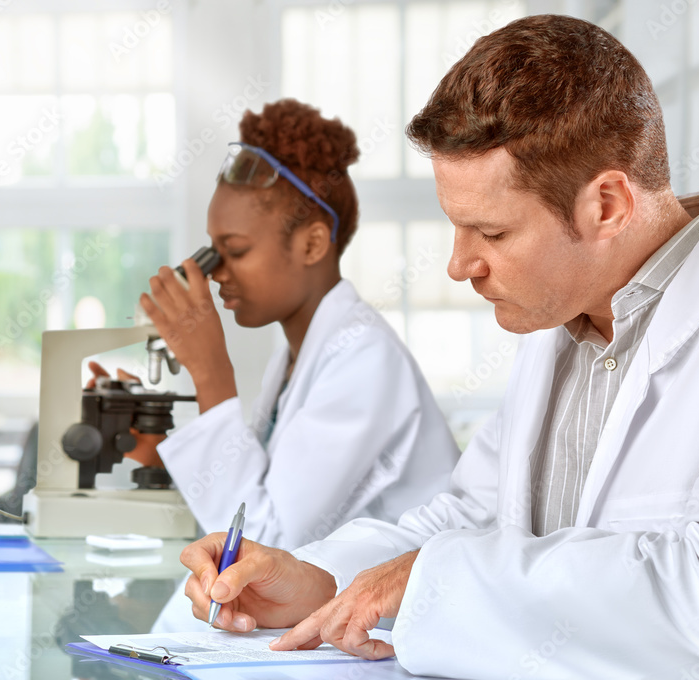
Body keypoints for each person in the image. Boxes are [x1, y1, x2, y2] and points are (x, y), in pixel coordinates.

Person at [176, 15, 699, 679]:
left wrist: (432, 580)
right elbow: (473, 517)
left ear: (606, 206)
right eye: (456, 228)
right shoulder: (565, 320)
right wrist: (318, 580)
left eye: (491, 233)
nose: (459, 266)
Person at [90, 98, 460, 551]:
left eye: (236, 250)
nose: (216, 273)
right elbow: (261, 492)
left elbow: (265, 546)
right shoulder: (295, 359)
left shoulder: (365, 359)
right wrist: (155, 453)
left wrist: (210, 370)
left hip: (404, 596)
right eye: (214, 252)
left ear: (312, 244)